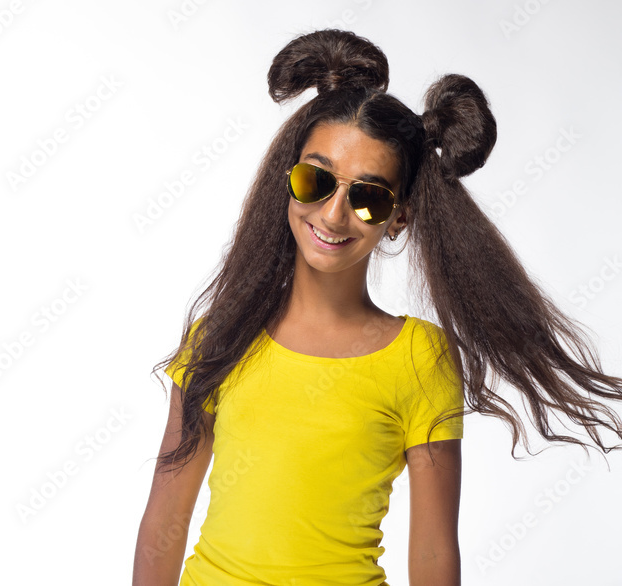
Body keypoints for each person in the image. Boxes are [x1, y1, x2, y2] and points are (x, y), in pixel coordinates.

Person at [132, 28, 622, 586]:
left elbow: (435, 556)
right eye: (316, 179)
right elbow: (163, 523)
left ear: (400, 217)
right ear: (287, 180)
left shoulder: (420, 357)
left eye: (368, 198)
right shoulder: (219, 336)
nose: (334, 214)